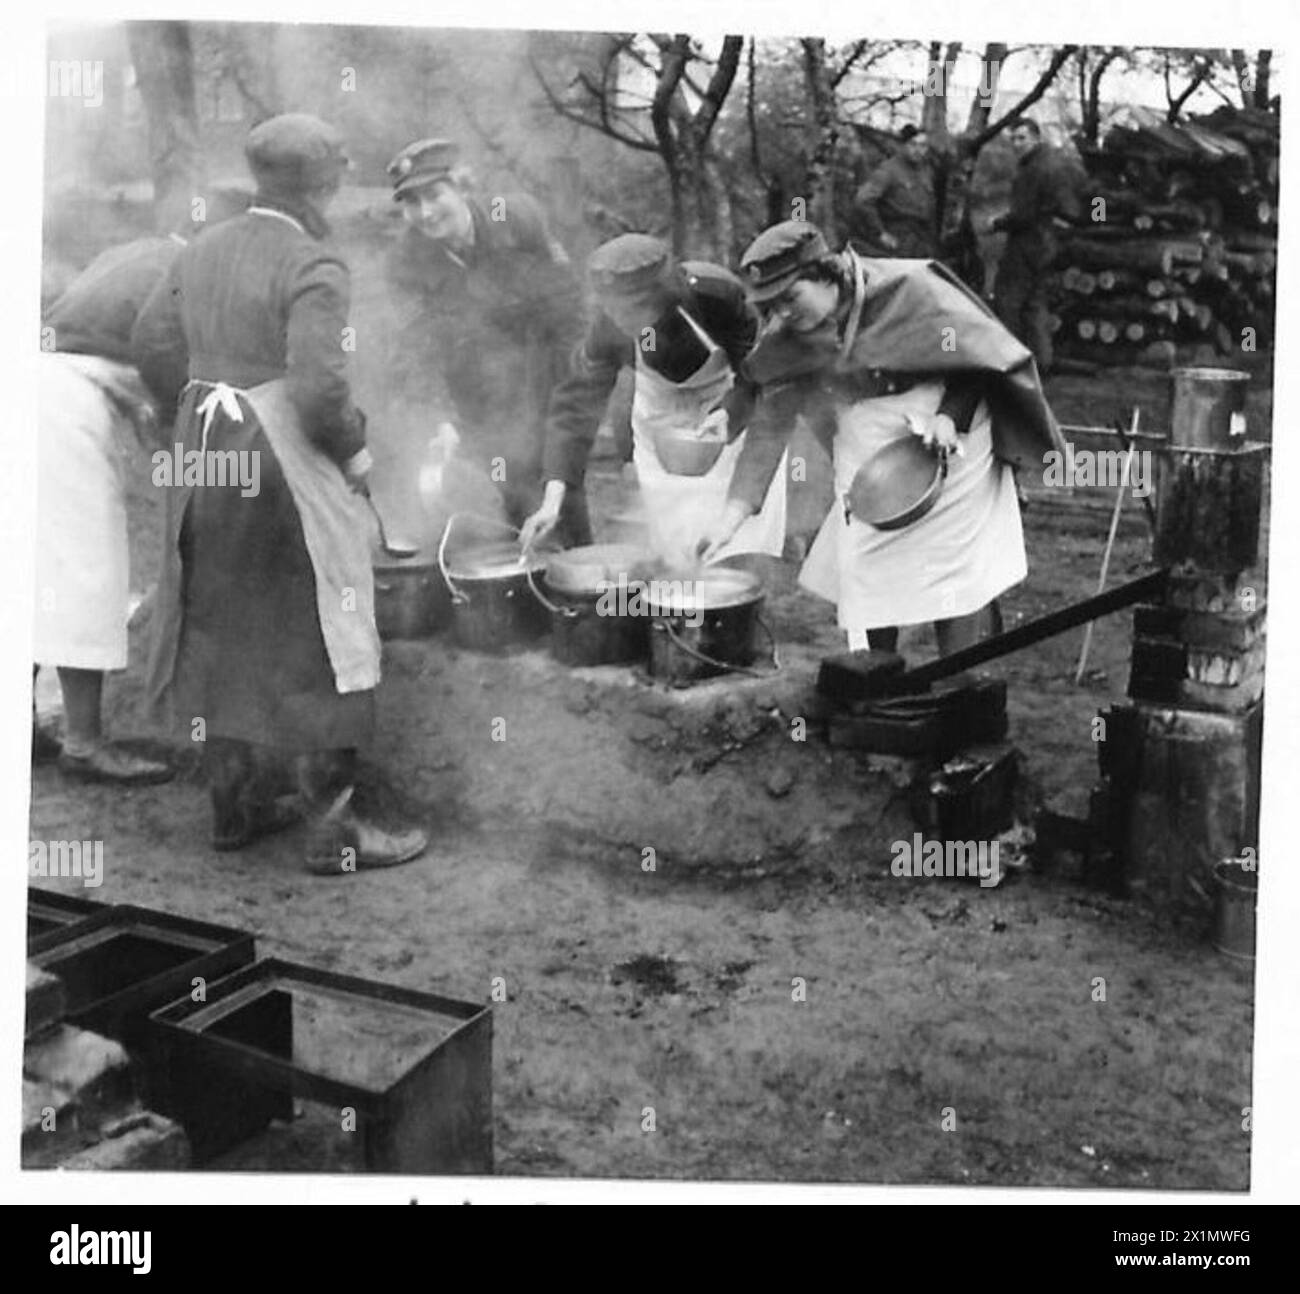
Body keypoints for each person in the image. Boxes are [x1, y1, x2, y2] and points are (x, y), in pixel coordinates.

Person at [131, 113, 427, 872]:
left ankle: (234, 807)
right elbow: (318, 386)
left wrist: (192, 409)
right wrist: (355, 451)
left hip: (206, 460)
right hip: (278, 464)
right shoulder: (314, 262)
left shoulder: (202, 247)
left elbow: (149, 340)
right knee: (318, 622)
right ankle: (334, 831)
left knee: (222, 621)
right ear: (323, 183)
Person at [700, 220, 1066, 657]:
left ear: (825, 274)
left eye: (789, 298)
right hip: (865, 441)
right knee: (867, 567)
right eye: (771, 306)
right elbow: (769, 426)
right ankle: (878, 680)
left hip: (950, 436)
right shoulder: (791, 339)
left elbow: (977, 357)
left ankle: (966, 683)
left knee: (956, 574)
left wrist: (950, 418)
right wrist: (730, 517)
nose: (781, 315)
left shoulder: (909, 290)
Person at [34, 188, 250, 783]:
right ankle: (83, 744)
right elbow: (167, 376)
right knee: (86, 568)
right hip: (65, 401)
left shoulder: (138, 251)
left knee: (29, 567)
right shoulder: (190, 275)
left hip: (29, 383)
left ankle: (25, 722)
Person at [519, 233, 786, 568]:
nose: (620, 320)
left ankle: (738, 606)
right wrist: (553, 497)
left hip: (725, 419)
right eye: (611, 308)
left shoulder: (716, 297)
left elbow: (756, 374)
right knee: (677, 554)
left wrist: (728, 415)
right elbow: (575, 405)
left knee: (734, 547)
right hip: (659, 429)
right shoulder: (607, 330)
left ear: (663, 297)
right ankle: (683, 614)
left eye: (631, 309)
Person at [384, 138, 590, 545]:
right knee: (498, 518)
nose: (425, 213)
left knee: (561, 510)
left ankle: (580, 593)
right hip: (474, 405)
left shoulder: (517, 219)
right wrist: (438, 418)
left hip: (542, 385)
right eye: (410, 202)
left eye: (434, 195)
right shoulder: (405, 260)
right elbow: (415, 349)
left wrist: (570, 398)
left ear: (462, 186)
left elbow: (569, 310)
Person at [990, 118, 1085, 371]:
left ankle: (1009, 364)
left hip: (1026, 245)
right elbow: (1080, 200)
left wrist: (997, 224)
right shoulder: (1060, 163)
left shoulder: (1034, 169)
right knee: (1036, 306)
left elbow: (1023, 215)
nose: (1017, 144)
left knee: (1009, 303)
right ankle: (1042, 363)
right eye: (1014, 138)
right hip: (1049, 244)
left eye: (1022, 138)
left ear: (1036, 138)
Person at [850, 125, 939, 259]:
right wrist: (880, 233)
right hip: (898, 238)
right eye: (913, 144)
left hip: (921, 239)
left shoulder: (925, 172)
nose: (918, 150)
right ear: (903, 145)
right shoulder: (889, 170)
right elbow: (863, 201)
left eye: (923, 146)